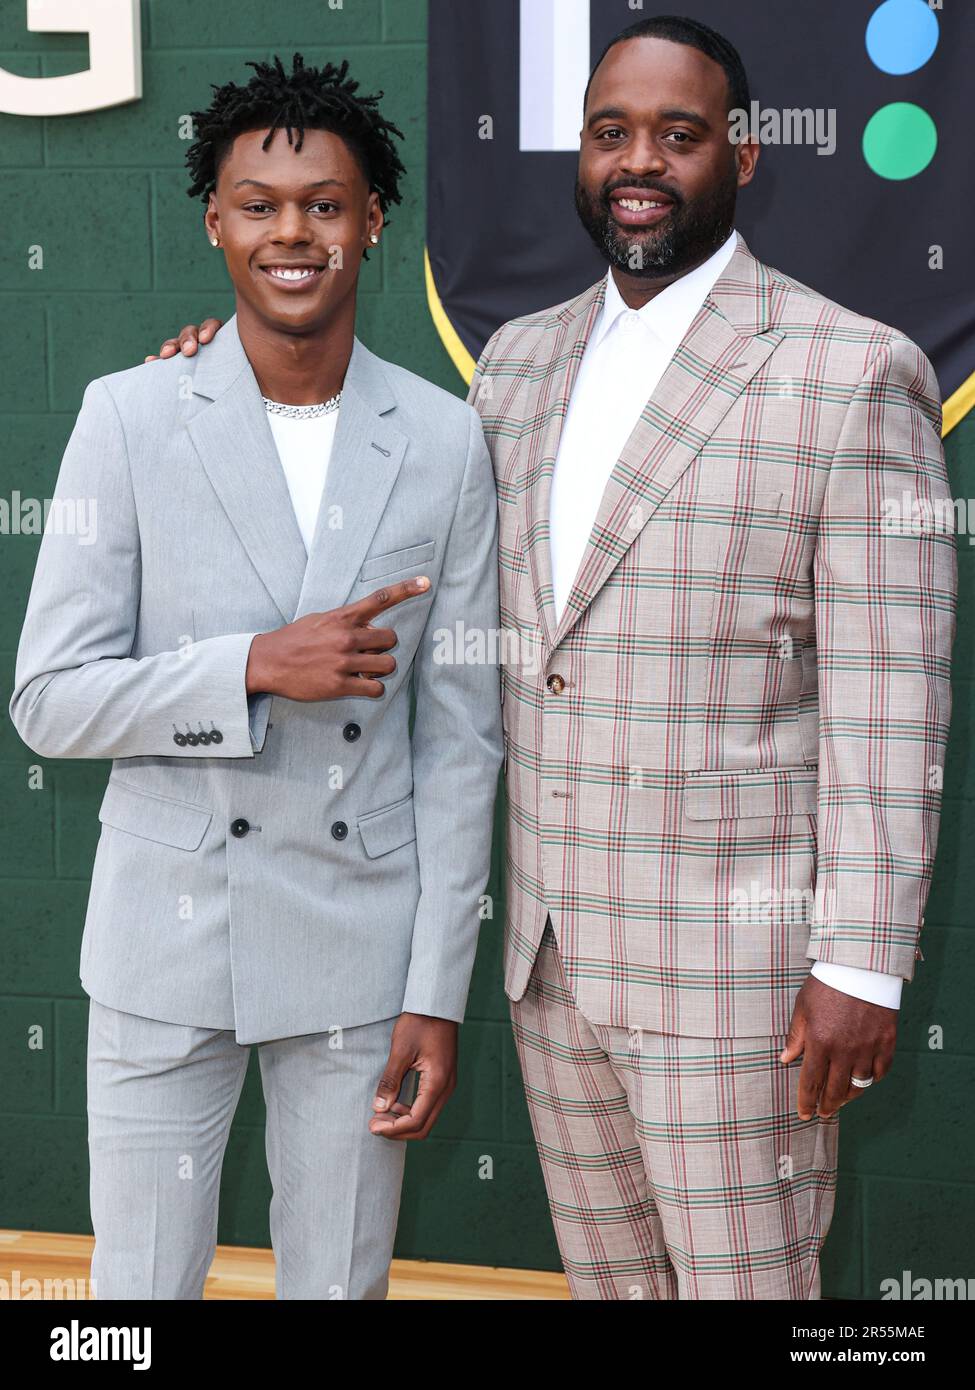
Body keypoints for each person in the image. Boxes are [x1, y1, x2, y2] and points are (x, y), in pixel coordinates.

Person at [142, 18, 957, 1300]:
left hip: (741, 984)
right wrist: (217, 372)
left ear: (743, 157)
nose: (640, 161)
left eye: (677, 136)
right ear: (578, 155)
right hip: (553, 970)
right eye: (610, 133)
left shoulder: (848, 373)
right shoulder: (514, 368)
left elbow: (892, 698)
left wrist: (861, 962)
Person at [9, 52, 502, 1301]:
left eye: (326, 203)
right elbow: (49, 696)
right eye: (261, 203)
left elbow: (462, 741)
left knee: (339, 1288)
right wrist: (251, 669)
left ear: (374, 219)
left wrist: (435, 992)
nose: (294, 232)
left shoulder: (444, 439)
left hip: (358, 951)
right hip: (162, 952)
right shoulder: (126, 414)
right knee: (133, 1302)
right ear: (215, 219)